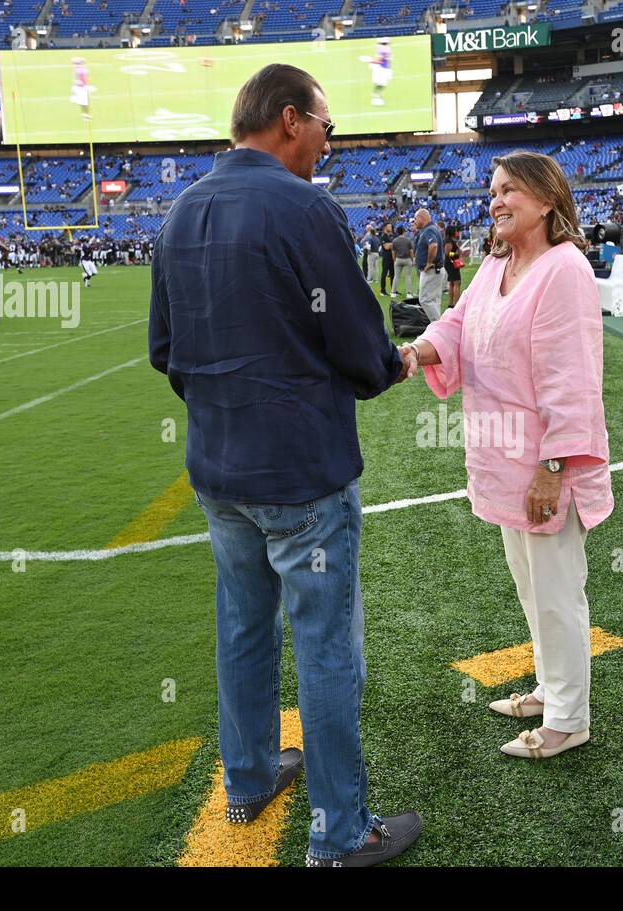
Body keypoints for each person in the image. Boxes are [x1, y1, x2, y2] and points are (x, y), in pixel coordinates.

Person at [148, 63, 422, 867]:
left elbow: (164, 350)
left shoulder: (181, 210)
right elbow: (359, 347)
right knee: (326, 646)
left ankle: (251, 775)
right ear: (292, 119)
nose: (328, 146)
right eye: (328, 129)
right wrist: (390, 365)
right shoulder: (304, 207)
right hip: (301, 469)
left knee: (243, 630)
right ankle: (341, 833)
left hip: (219, 469)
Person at [407, 151, 613, 759]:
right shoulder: (499, 263)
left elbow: (571, 378)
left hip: (543, 467)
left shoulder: (563, 268)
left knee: (556, 593)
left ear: (546, 200)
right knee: (531, 589)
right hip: (502, 458)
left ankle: (569, 718)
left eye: (509, 192)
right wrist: (416, 353)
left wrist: (554, 470)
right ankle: (551, 688)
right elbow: (456, 325)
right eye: (492, 191)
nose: (495, 201)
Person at [412, 206, 443, 324]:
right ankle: (437, 329)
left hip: (431, 270)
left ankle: (439, 327)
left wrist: (429, 262)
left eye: (415, 219)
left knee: (424, 299)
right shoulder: (431, 228)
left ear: (421, 218)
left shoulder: (429, 230)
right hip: (436, 270)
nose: (414, 221)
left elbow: (433, 245)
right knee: (434, 301)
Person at [390, 223, 415, 297]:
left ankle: (393, 292)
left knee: (396, 276)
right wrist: (412, 259)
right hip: (407, 259)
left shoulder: (394, 240)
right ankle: (409, 293)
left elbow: (393, 252)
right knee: (408, 276)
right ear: (403, 232)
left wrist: (394, 260)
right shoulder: (408, 240)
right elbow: (411, 251)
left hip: (398, 259)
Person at [443, 222, 463, 308]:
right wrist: (457, 255)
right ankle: (456, 303)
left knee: (452, 283)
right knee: (457, 283)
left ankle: (451, 304)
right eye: (455, 231)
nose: (456, 232)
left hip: (450, 263)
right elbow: (447, 253)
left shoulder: (451, 241)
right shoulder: (449, 241)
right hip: (451, 263)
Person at [378, 220, 395, 296]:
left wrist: (391, 244)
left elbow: (392, 245)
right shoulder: (383, 236)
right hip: (386, 257)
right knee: (384, 273)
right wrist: (392, 244)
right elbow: (386, 247)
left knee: (393, 274)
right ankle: (382, 290)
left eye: (391, 227)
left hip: (392, 257)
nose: (391, 228)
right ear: (385, 228)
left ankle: (393, 290)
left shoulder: (391, 236)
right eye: (389, 227)